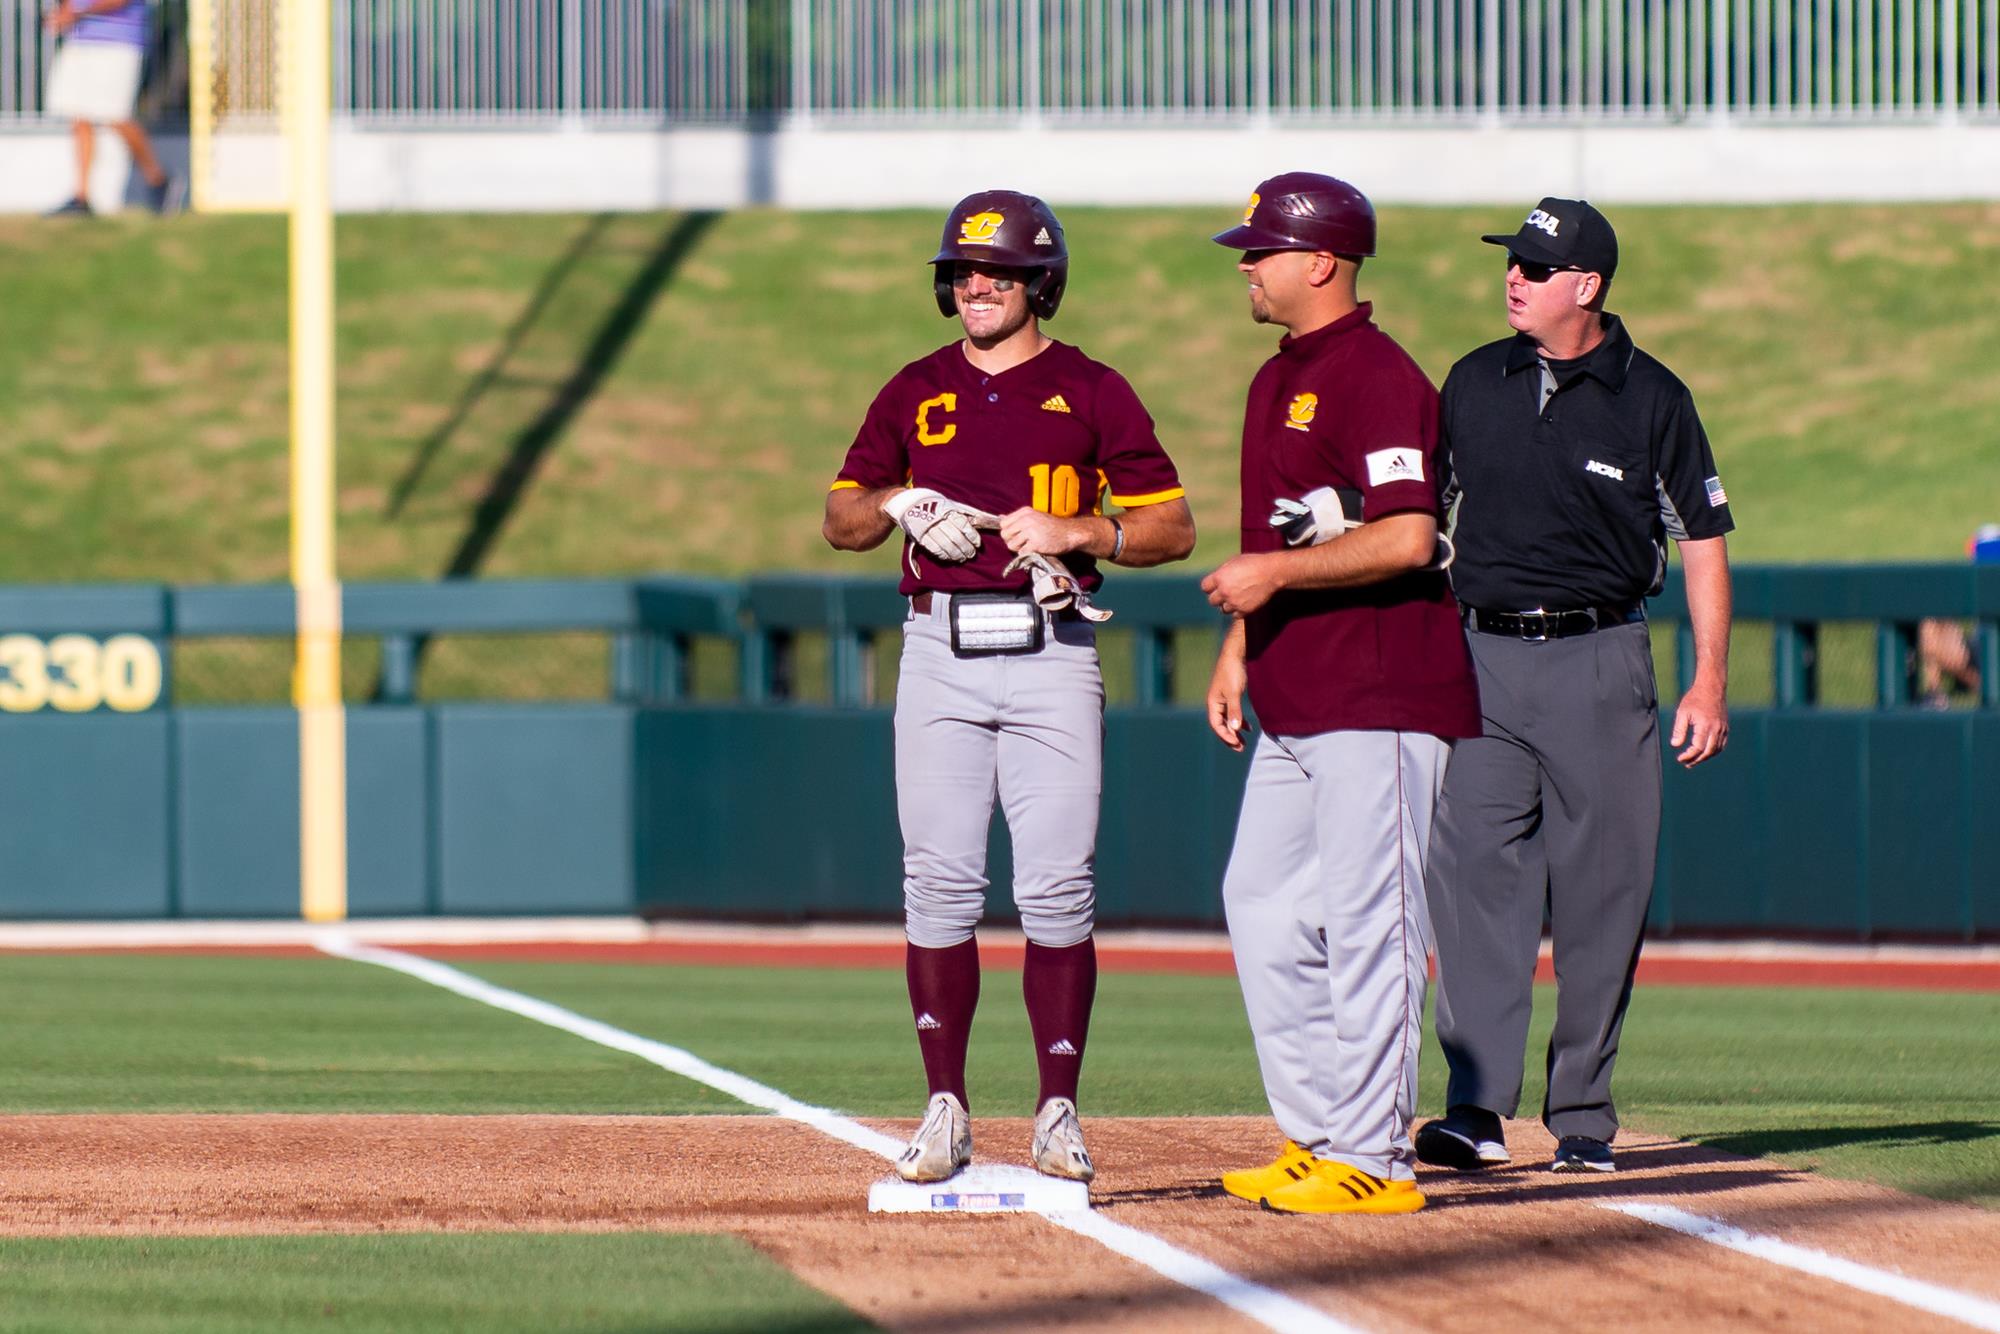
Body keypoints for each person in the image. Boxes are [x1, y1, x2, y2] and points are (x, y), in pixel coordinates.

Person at [822, 189, 1195, 1185]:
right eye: (960, 270)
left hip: (1053, 646)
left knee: (1056, 882)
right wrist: (899, 501)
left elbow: (1171, 526)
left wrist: (1081, 533)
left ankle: (1056, 1107)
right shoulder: (913, 386)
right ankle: (943, 1103)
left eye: (995, 271)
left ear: (1040, 281)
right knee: (938, 880)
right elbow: (839, 515)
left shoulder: (1092, 388)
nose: (974, 285)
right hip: (937, 647)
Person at [1417, 198, 1735, 1176]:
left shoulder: (1651, 397)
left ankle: (1584, 1117)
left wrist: (1707, 681)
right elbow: (1417, 525)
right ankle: (1473, 1106)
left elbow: (1702, 542)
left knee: (1602, 895)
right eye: (1510, 261)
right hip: (1478, 660)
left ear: (1585, 285)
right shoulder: (1471, 380)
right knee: (1471, 887)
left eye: (1533, 265)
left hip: (1600, 661)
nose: (1511, 277)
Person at [1203, 172, 1481, 1215]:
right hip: (1298, 688)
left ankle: (1376, 1151)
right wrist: (1240, 643)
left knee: (1370, 918)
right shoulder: (1275, 377)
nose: (1245, 263)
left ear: (1318, 260)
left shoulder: (1375, 373)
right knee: (1261, 901)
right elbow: (1268, 539)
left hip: (1382, 688)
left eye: (1260, 247)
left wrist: (1270, 579)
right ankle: (1320, 1130)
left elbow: (1411, 536)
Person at [43, 0, 179, 217]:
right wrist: (65, 12)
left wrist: (78, 12)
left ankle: (158, 180)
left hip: (118, 43)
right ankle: (82, 197)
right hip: (80, 40)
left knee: (114, 116)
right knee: (79, 116)